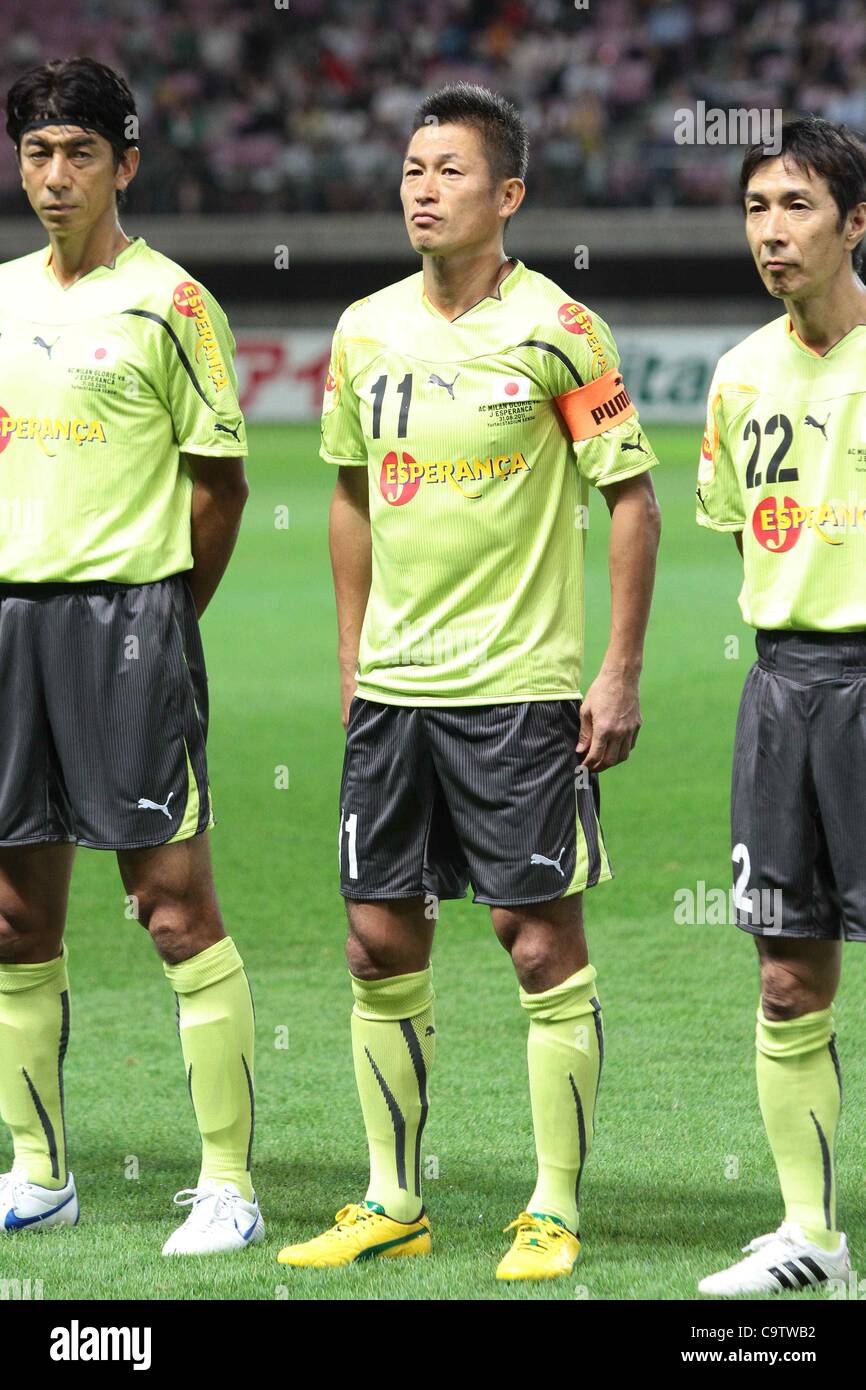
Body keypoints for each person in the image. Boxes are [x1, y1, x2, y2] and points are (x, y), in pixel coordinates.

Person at [277, 82, 660, 1281]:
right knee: (377, 943)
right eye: (409, 169)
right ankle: (392, 1197)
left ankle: (551, 1207)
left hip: (517, 690)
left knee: (536, 946)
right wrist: (350, 661)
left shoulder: (562, 330)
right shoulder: (361, 329)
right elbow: (345, 493)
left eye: (447, 171)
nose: (421, 190)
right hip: (393, 692)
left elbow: (633, 502)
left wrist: (617, 669)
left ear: (507, 194)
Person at [0, 57, 260, 1256]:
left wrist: (163, 620)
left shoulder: (174, 302)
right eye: (38, 151)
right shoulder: (0, 296)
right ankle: (40, 1167)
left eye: (80, 154)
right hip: (11, 626)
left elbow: (220, 489)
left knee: (170, 907)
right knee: (11, 918)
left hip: (126, 625)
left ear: (126, 165)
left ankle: (226, 1181)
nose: (56, 176)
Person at [695, 115, 866, 1296]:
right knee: (782, 974)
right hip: (779, 687)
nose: (771, 231)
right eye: (757, 207)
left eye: (796, 206)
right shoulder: (738, 373)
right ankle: (809, 1231)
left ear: (854, 223)